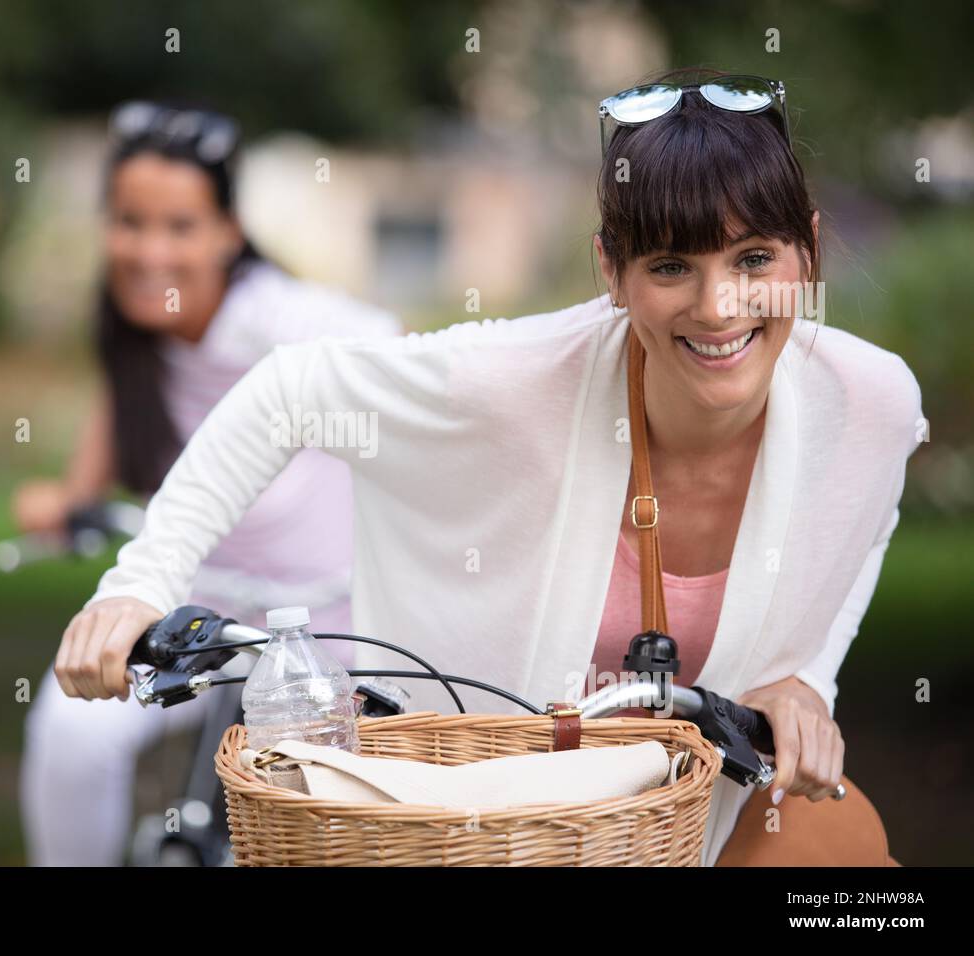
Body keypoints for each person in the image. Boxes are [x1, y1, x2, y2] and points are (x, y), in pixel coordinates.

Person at [52, 71, 925, 867]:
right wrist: (142, 584)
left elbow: (866, 517)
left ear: (806, 254)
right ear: (611, 272)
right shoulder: (518, 380)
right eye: (670, 266)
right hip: (493, 826)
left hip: (703, 818)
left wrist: (808, 673)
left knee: (858, 882)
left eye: (754, 260)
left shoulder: (871, 403)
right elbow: (288, 391)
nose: (718, 305)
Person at [18, 101, 401, 866]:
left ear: (229, 233)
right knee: (69, 734)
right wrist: (65, 501)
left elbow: (399, 356)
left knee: (326, 812)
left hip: (324, 620)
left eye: (180, 227)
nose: (150, 249)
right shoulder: (139, 332)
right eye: (130, 221)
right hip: (196, 606)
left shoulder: (279, 316)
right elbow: (114, 424)